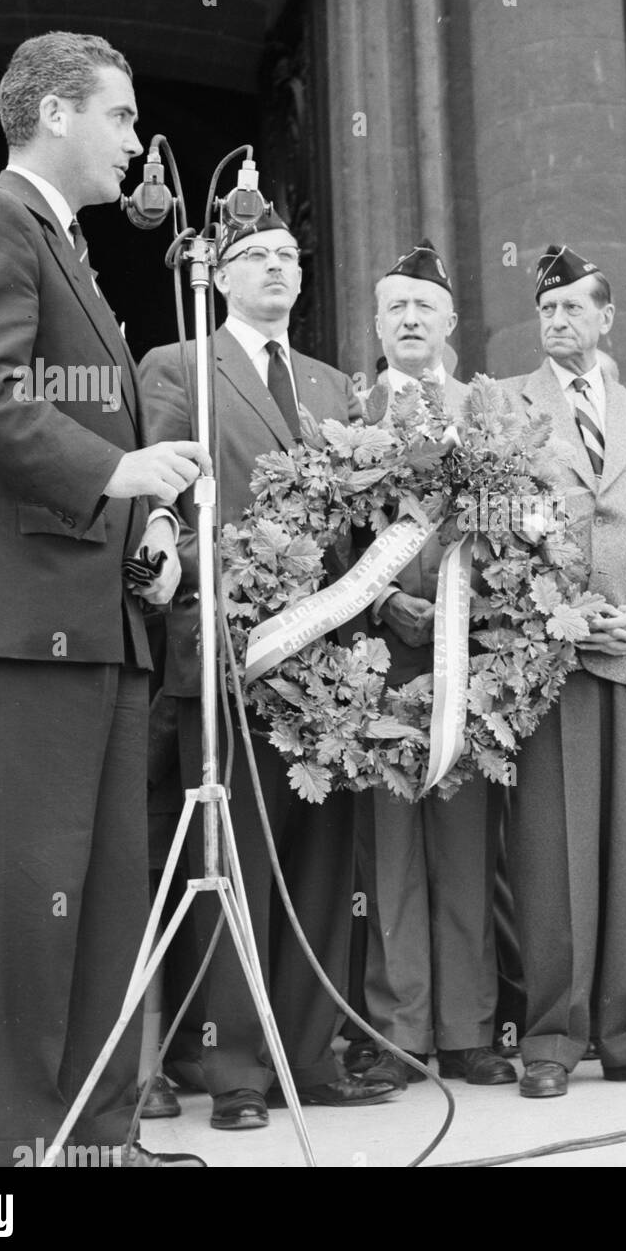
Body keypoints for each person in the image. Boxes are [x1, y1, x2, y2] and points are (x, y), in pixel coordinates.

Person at [0, 31, 210, 1167]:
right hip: (23, 620)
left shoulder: (74, 254)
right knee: (15, 899)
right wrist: (113, 474)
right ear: (53, 115)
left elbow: (84, 425)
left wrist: (151, 537)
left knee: (97, 901)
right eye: (124, 118)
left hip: (98, 618)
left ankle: (91, 1139)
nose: (138, 142)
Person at [139, 207, 393, 1124]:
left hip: (332, 657)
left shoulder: (333, 383)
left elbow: (368, 522)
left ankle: (310, 1053)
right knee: (236, 859)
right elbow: (165, 488)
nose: (281, 269)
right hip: (235, 647)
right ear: (222, 273)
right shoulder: (180, 366)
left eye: (292, 255)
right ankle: (236, 1069)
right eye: (259, 257)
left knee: (325, 861)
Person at [500, 243, 626, 1099]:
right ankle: (551, 1037)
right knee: (553, 853)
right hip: (553, 660)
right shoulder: (505, 408)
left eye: (573, 307)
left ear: (606, 316)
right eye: (547, 310)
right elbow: (490, 523)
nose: (557, 321)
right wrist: (563, 611)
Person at [349, 241, 514, 1091]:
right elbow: (330, 542)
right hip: (380, 662)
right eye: (395, 310)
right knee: (391, 856)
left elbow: (521, 531)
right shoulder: (351, 418)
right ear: (377, 326)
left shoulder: (489, 411)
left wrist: (473, 608)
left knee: (462, 847)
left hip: (467, 663)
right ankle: (397, 1030)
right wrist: (382, 603)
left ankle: (470, 1029)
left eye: (424, 309)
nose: (410, 321)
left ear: (451, 322)